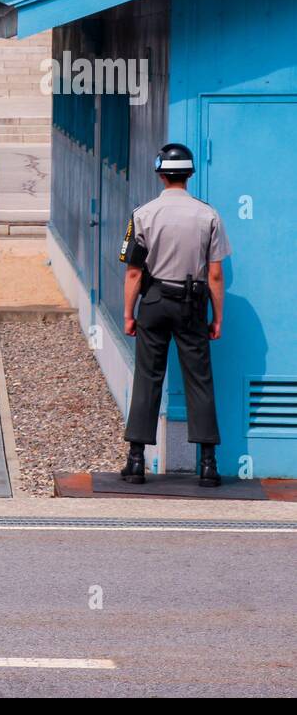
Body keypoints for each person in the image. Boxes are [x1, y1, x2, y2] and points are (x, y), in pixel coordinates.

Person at [118, 142, 230, 488]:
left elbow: (134, 273)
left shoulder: (143, 214)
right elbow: (214, 274)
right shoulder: (208, 215)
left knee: (148, 377)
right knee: (199, 379)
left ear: (160, 173)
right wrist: (217, 318)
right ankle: (208, 465)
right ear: (190, 174)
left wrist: (128, 314)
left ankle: (136, 462)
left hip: (153, 301)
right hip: (191, 303)